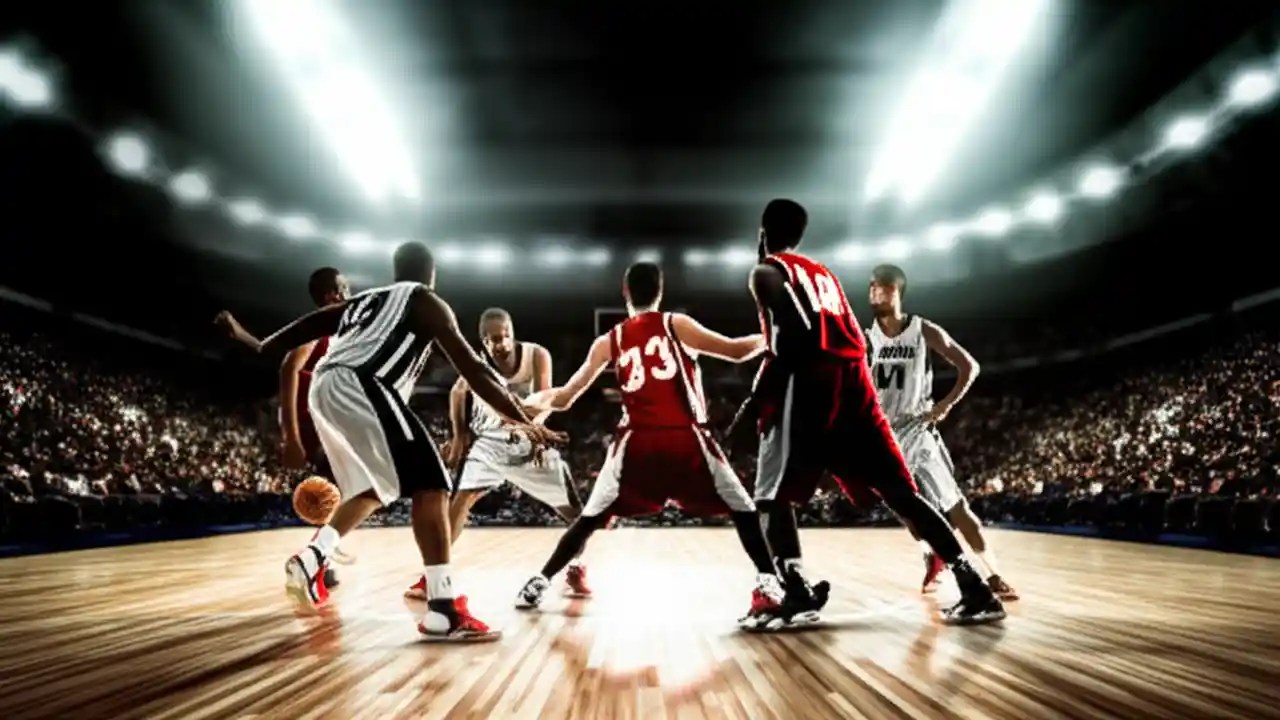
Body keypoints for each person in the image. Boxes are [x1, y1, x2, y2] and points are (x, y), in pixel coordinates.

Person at [223, 242, 565, 641]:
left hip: (324, 390)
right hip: (363, 385)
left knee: (375, 487)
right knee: (433, 482)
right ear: (431, 274)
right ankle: (443, 609)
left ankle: (312, 556)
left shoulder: (363, 300)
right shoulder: (427, 301)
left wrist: (248, 338)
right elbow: (474, 370)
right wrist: (523, 419)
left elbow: (296, 333)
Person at [731, 199, 1004, 626]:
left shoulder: (765, 272)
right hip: (856, 382)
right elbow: (853, 335)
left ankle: (796, 588)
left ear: (762, 231)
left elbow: (792, 339)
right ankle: (974, 586)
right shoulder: (826, 275)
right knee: (902, 493)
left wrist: (753, 403)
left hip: (810, 378)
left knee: (771, 495)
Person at [512, 262, 803, 630]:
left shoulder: (609, 340)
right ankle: (766, 582)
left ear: (625, 293)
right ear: (661, 292)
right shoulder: (675, 324)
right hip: (685, 436)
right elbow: (734, 351)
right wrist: (772, 336)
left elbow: (566, 398)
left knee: (587, 520)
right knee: (743, 510)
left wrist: (533, 401)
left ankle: (538, 583)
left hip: (635, 443)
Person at [404, 308, 590, 600]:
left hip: (530, 437)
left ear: (512, 332)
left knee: (575, 513)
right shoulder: (477, 363)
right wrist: (459, 437)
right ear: (484, 342)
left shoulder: (536, 355)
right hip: (490, 441)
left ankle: (576, 566)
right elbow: (457, 392)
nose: (501, 344)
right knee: (461, 499)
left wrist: (527, 425)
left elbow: (546, 400)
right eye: (494, 340)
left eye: (505, 336)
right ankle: (434, 577)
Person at [866, 264, 1018, 601]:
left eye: (884, 287)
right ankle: (933, 555)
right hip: (884, 436)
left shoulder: (922, 329)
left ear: (898, 292)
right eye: (873, 287)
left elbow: (969, 366)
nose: (877, 293)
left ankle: (993, 575)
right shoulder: (866, 339)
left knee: (956, 507)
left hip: (918, 430)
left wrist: (945, 405)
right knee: (906, 510)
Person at [215, 267, 355, 574]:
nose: (352, 292)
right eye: (347, 287)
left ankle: (322, 554)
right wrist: (291, 437)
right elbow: (289, 367)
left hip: (326, 417)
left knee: (343, 489)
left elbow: (273, 348)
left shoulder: (334, 330)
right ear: (334, 294)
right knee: (348, 488)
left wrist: (240, 334)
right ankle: (317, 558)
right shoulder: (321, 326)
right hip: (313, 417)